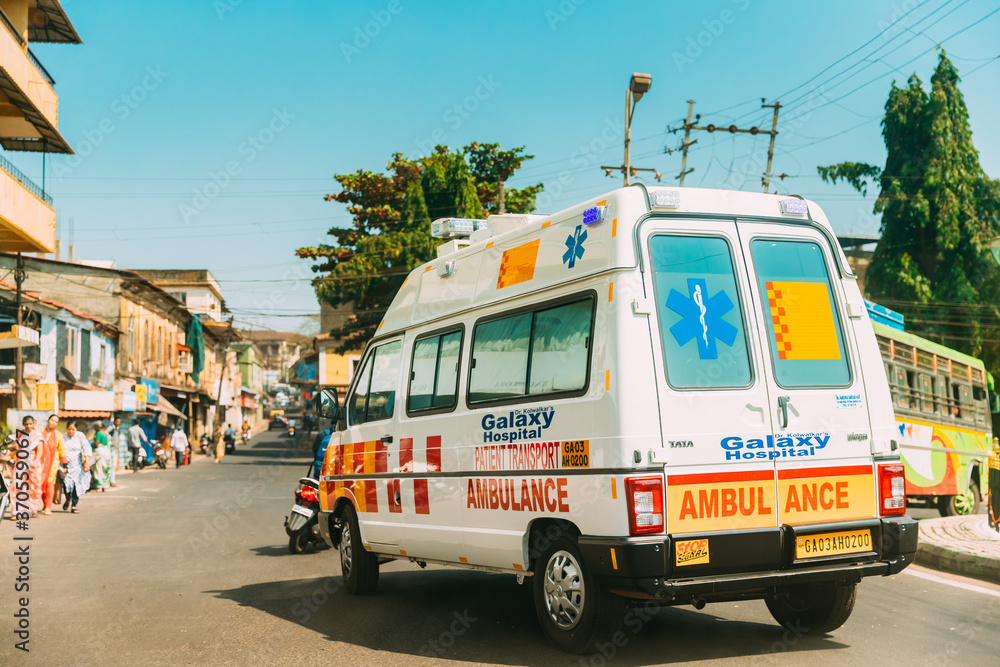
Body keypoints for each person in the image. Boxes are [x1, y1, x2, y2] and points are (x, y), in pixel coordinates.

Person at [61, 421, 93, 513]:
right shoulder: (62, 437)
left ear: (76, 429)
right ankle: (67, 499)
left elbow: (87, 448)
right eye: (69, 429)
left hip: (77, 465)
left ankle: (74, 504)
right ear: (66, 429)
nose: (71, 431)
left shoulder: (80, 436)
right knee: (66, 484)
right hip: (65, 464)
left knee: (76, 485)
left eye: (73, 430)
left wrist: (87, 462)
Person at [39, 414, 64, 515]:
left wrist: (65, 465)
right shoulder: (39, 432)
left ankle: (48, 507)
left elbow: (62, 450)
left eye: (56, 422)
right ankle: (45, 504)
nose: (53, 423)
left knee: (49, 483)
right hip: (40, 462)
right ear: (48, 420)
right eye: (52, 420)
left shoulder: (58, 435)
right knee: (40, 483)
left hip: (53, 462)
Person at [90, 422, 113, 491]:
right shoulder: (105, 433)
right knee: (104, 470)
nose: (94, 428)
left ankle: (99, 486)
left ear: (98, 427)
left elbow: (97, 443)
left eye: (95, 426)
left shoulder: (98, 433)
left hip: (99, 454)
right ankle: (105, 486)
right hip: (106, 453)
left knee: (98, 470)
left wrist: (91, 443)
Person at [106, 416, 123, 487]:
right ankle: (110, 481)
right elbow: (105, 434)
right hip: (110, 450)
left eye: (119, 421)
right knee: (111, 465)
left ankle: (112, 481)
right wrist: (110, 441)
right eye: (117, 421)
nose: (119, 423)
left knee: (114, 465)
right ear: (114, 421)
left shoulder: (117, 429)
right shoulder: (111, 428)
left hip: (115, 449)